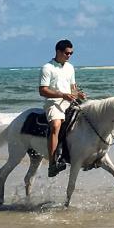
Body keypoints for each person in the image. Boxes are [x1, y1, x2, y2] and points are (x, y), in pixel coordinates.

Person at [39, 39, 85, 176]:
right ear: (58, 51)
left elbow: (73, 88)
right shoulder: (47, 68)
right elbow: (42, 90)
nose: (69, 55)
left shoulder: (70, 67)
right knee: (56, 125)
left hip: (70, 101)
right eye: (67, 53)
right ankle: (53, 164)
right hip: (53, 102)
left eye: (71, 53)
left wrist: (79, 94)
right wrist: (62, 95)